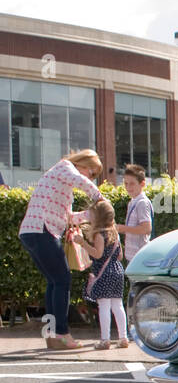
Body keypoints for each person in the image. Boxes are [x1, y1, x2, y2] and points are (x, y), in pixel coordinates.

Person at [17, 149, 104, 349]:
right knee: (62, 280)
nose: (92, 178)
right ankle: (62, 334)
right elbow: (80, 181)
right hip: (42, 230)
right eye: (93, 173)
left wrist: (91, 214)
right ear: (83, 164)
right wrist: (99, 198)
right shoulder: (65, 168)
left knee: (54, 281)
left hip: (32, 231)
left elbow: (69, 218)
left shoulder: (60, 178)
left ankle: (51, 335)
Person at [71, 199, 128, 349]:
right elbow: (120, 256)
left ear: (98, 217)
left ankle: (105, 339)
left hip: (104, 273)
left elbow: (97, 254)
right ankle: (123, 337)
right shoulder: (115, 233)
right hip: (117, 270)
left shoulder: (99, 235)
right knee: (118, 305)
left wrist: (83, 243)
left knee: (104, 305)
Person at [116, 163, 153, 265]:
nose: (128, 187)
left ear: (142, 184)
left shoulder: (142, 202)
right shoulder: (133, 202)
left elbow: (146, 228)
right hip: (133, 256)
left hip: (139, 256)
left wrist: (122, 228)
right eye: (126, 183)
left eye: (132, 183)